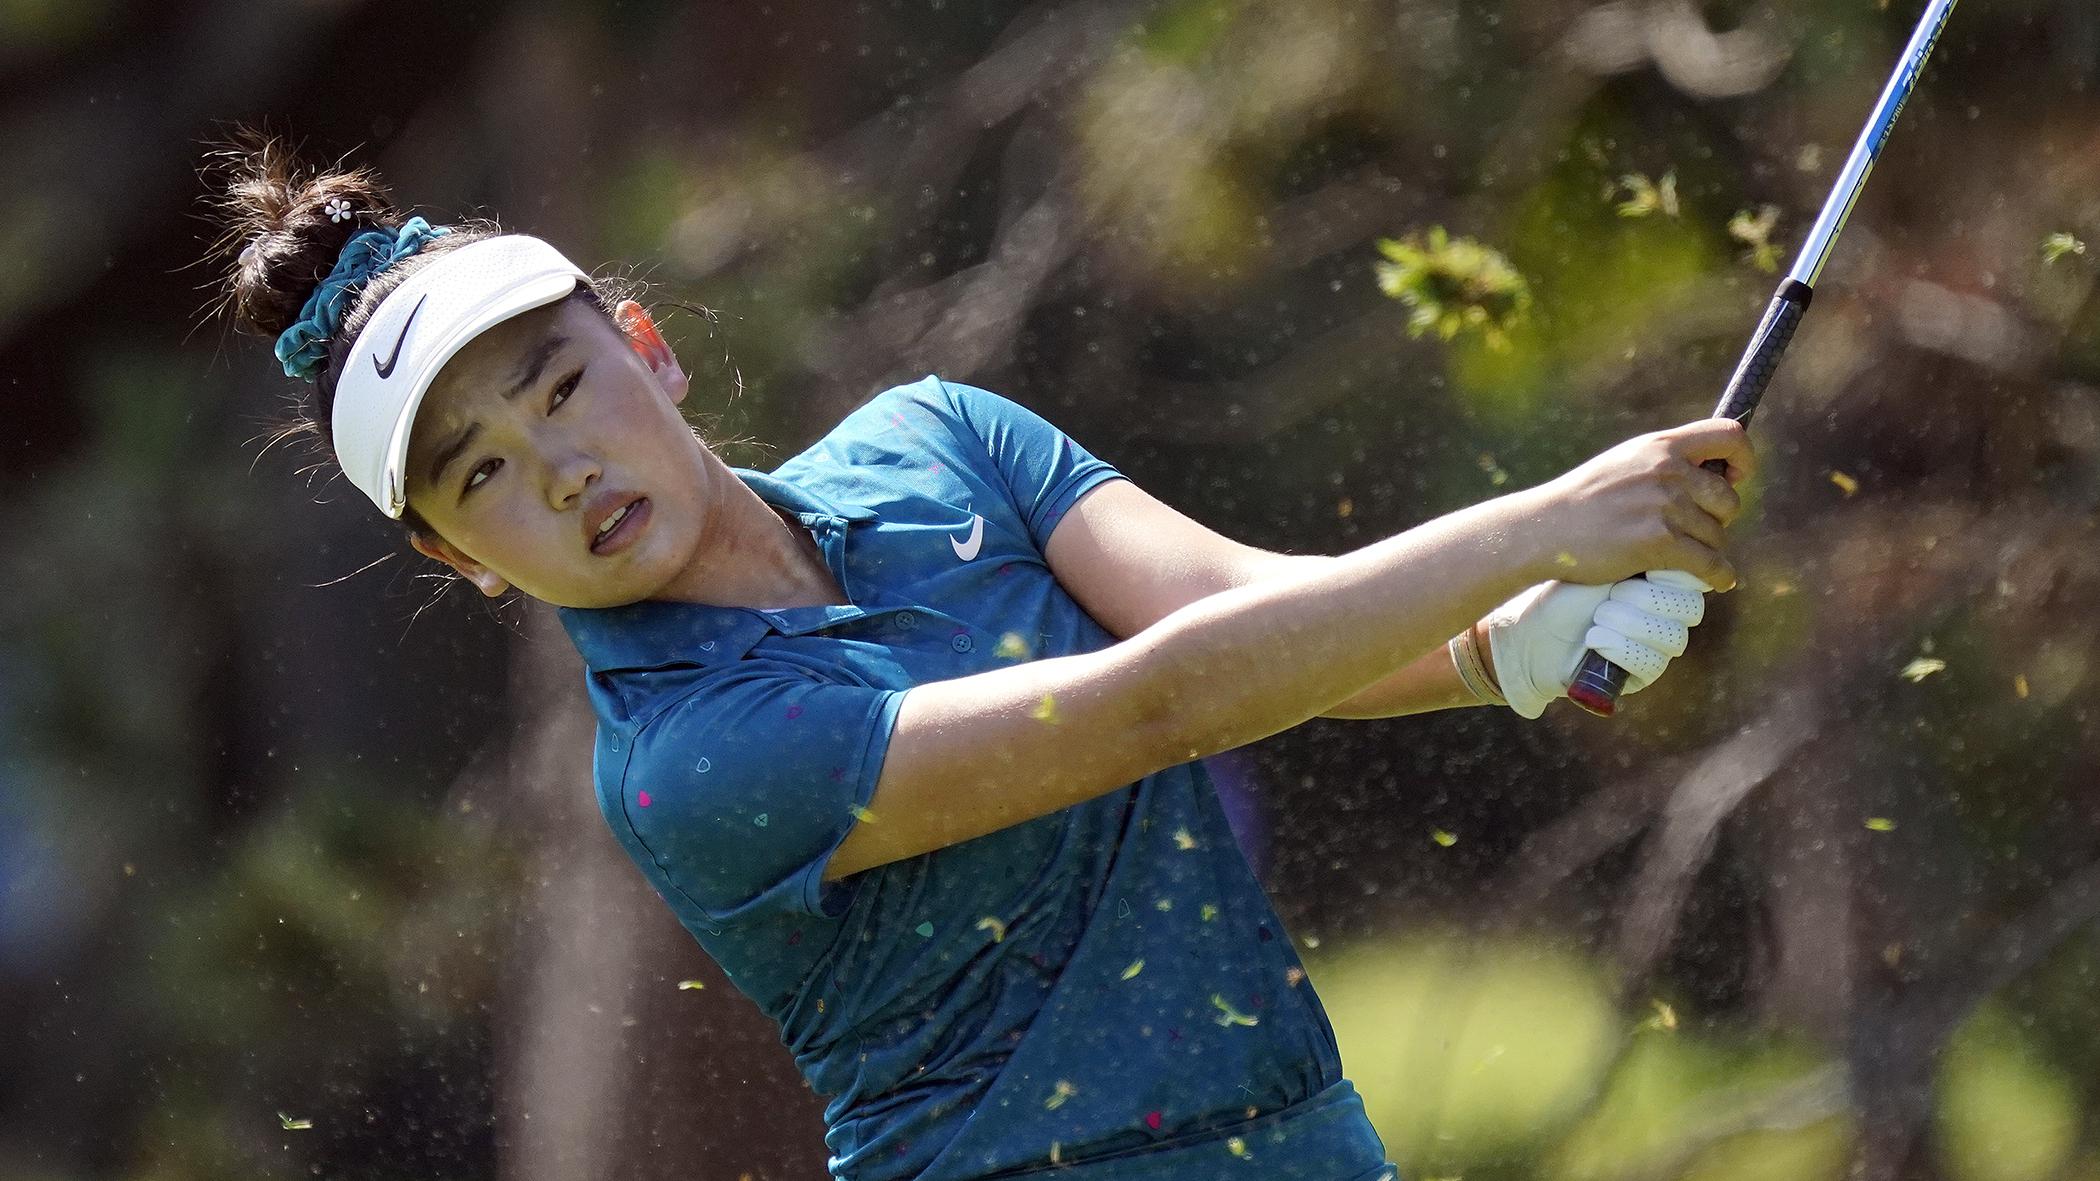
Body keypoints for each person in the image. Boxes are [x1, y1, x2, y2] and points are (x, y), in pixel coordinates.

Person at [203, 131, 1751, 1181]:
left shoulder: (941, 440)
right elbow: (1156, 700)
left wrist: (1498, 644)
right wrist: (1543, 527)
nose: (558, 471)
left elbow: (1241, 603)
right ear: (459, 556)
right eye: (480, 473)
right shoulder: (688, 762)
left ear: (648, 346)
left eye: (558, 387)